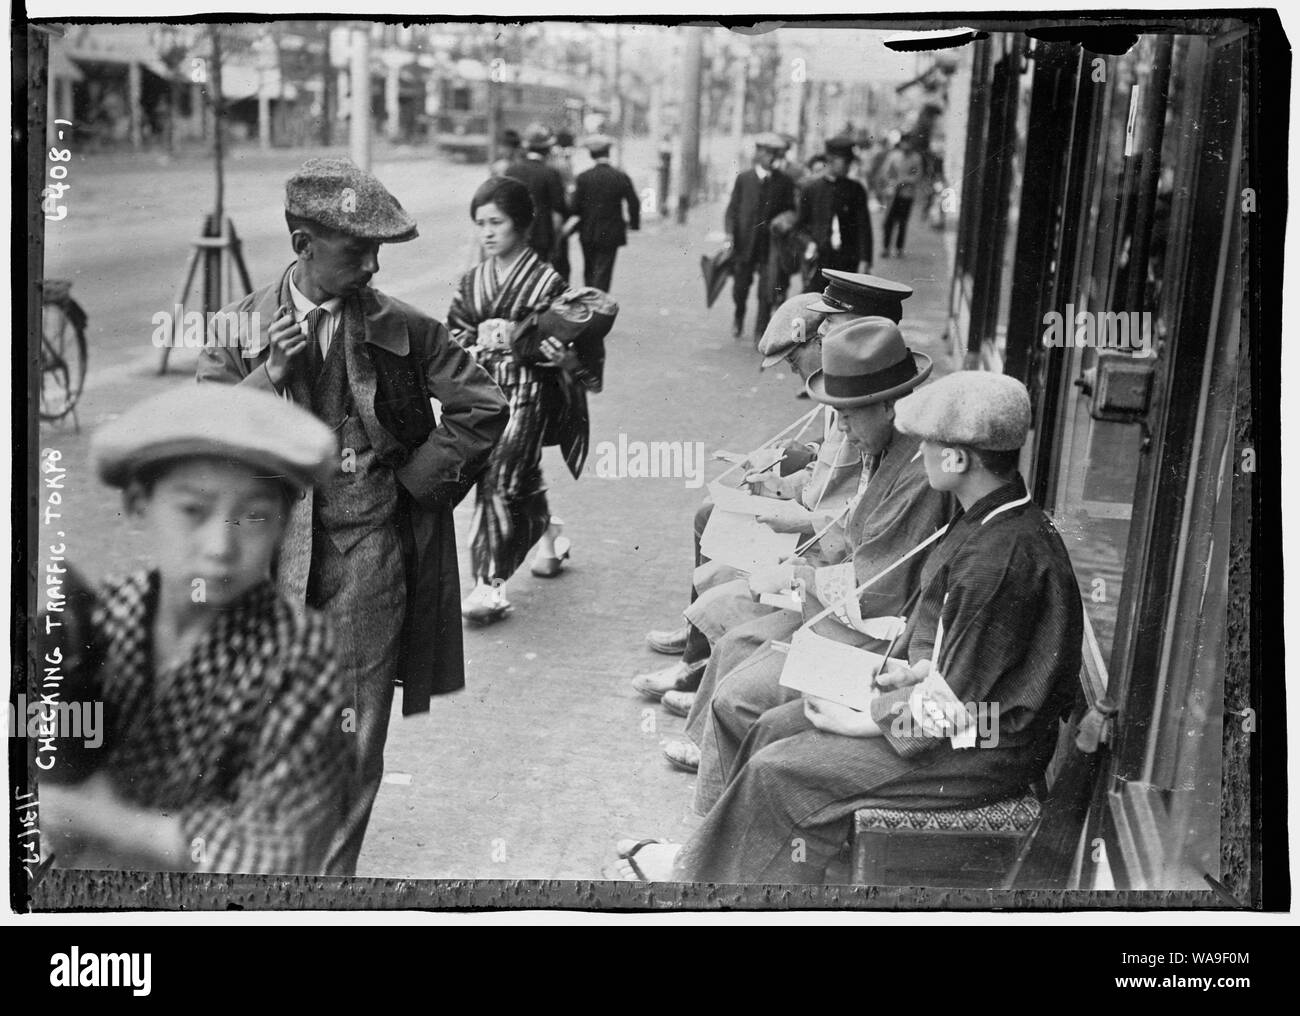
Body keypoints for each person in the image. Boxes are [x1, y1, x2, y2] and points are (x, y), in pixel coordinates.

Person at [610, 371, 1083, 884]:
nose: (919, 453)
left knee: (782, 773)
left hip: (985, 753)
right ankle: (710, 861)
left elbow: (961, 713)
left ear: (958, 458)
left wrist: (867, 718)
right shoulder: (992, 520)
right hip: (958, 724)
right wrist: (910, 675)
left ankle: (701, 882)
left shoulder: (998, 557)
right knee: (772, 726)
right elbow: (961, 666)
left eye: (928, 443)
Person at [196, 157, 510, 875]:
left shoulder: (404, 330)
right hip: (261, 566)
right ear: (304, 245)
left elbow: (484, 406)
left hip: (367, 564)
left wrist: (413, 485)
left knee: (353, 741)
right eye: (357, 251)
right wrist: (268, 375)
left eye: (378, 251)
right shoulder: (241, 327)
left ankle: (326, 895)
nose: (372, 266)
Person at [38, 385, 351, 874]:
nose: (220, 546)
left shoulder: (301, 655)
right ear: (140, 504)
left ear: (284, 524)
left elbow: (279, 852)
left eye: (254, 515)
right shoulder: (99, 619)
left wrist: (99, 817)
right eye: (192, 511)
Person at [665, 316, 950, 787]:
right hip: (845, 609)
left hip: (877, 636)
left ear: (886, 406)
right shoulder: (887, 448)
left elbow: (876, 593)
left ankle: (720, 809)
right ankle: (718, 777)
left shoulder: (917, 476)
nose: (841, 427)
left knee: (739, 692)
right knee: (736, 642)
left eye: (849, 414)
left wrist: (798, 577)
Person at [632, 276, 906, 704]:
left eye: (832, 325)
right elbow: (829, 468)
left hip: (829, 544)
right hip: (820, 529)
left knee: (721, 544)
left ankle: (700, 662)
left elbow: (862, 509)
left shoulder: (876, 400)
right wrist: (777, 479)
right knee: (715, 516)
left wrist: (797, 511)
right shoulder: (856, 383)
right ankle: (698, 645)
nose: (825, 332)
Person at [447, 175, 604, 624]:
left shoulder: (547, 281)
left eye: (497, 222)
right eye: (480, 223)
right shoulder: (472, 280)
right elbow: (453, 333)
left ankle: (487, 583)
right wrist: (473, 342)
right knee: (519, 474)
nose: (487, 233)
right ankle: (551, 534)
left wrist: (563, 357)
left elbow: (574, 339)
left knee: (495, 475)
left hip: (530, 393)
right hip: (482, 391)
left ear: (521, 224)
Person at [724, 132, 797, 341]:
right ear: (758, 154)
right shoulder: (744, 179)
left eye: (775, 154)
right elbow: (732, 210)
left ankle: (760, 331)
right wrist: (729, 235)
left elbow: (792, 210)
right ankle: (739, 316)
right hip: (744, 243)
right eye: (767, 153)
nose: (771, 158)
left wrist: (783, 222)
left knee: (767, 290)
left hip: (770, 246)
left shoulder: (785, 182)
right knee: (740, 288)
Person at [796, 135, 873, 291]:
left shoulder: (856, 190)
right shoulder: (811, 189)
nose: (849, 167)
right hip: (819, 261)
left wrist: (865, 261)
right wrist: (809, 244)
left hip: (848, 261)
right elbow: (800, 228)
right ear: (831, 160)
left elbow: (864, 228)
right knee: (813, 304)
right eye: (846, 162)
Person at [568, 134, 641, 292]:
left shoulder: (583, 178)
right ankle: (599, 303)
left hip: (587, 231)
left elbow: (574, 207)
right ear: (608, 153)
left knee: (589, 268)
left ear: (591, 155)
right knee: (604, 270)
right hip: (611, 231)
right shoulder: (620, 176)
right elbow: (634, 202)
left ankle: (588, 300)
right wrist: (634, 224)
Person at [505, 123, 569, 271]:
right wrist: (556, 243)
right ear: (547, 149)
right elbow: (558, 213)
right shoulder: (551, 174)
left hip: (515, 236)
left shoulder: (511, 170)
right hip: (541, 237)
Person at [881, 134, 925, 258]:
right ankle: (886, 248)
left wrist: (905, 181)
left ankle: (899, 249)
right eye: (904, 143)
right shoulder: (894, 156)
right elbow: (886, 172)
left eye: (909, 143)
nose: (906, 146)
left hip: (906, 195)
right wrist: (893, 181)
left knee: (902, 222)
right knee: (889, 222)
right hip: (892, 193)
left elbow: (917, 175)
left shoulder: (916, 158)